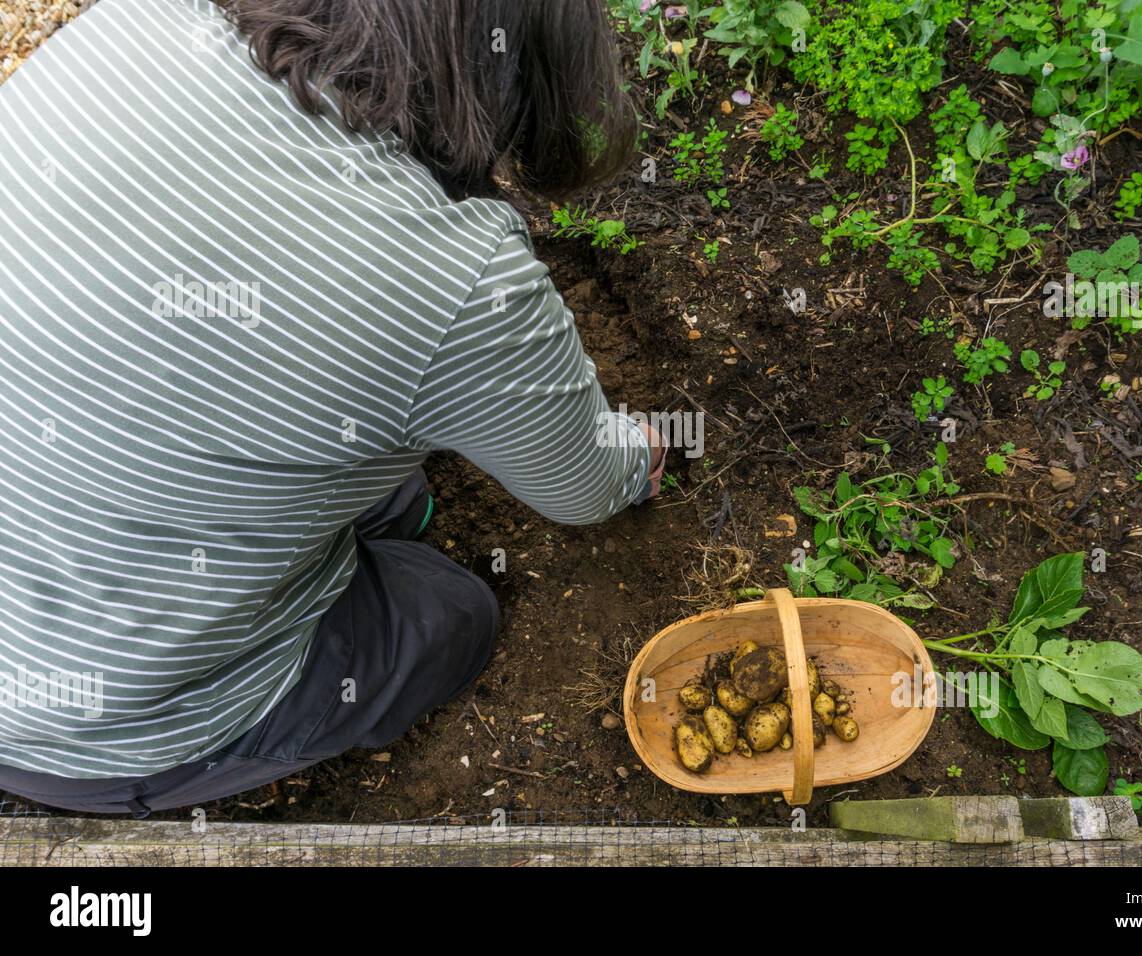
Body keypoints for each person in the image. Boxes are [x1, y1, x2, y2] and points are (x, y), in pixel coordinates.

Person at [0, 0, 663, 815]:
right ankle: (194, 746)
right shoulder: (460, 277)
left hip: (53, 526)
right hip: (84, 731)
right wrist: (636, 454)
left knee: (374, 455)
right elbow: (585, 490)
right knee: (452, 612)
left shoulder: (134, 20)